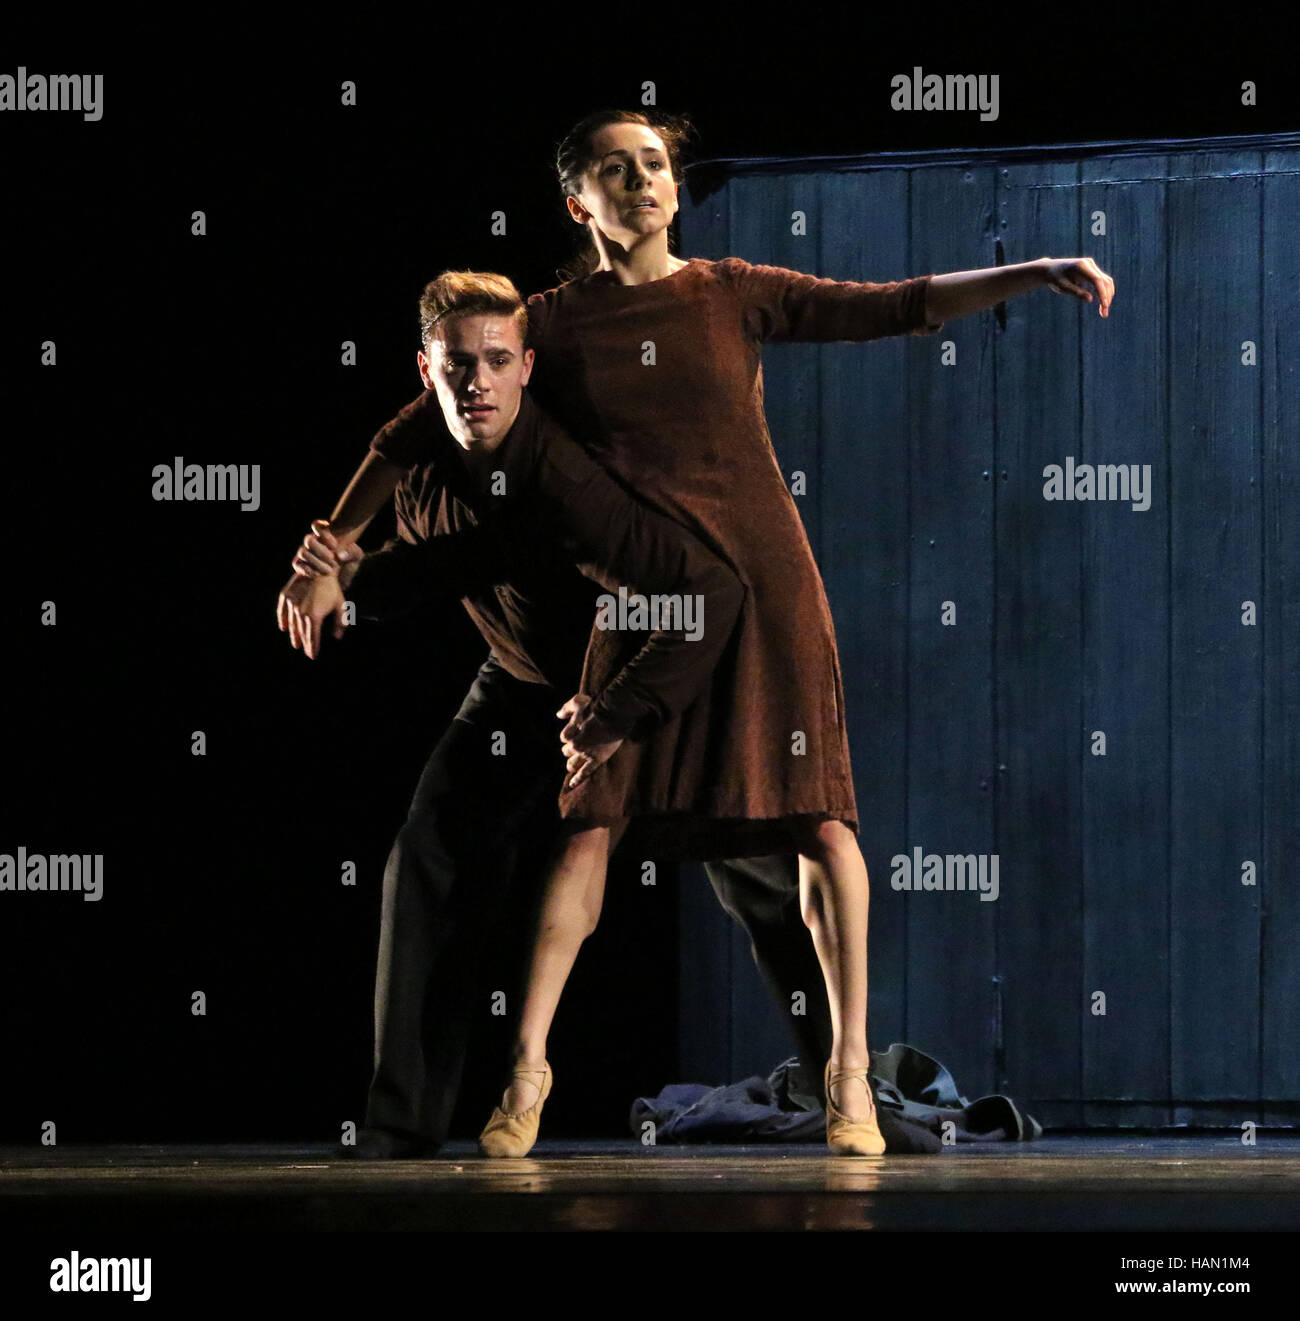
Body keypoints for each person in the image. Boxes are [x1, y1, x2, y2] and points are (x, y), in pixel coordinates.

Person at [285, 108, 1114, 1158]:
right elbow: (412, 428)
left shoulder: (728, 291)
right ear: (576, 201)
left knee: (783, 842)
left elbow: (890, 306)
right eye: (613, 170)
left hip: (733, 605)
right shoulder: (546, 322)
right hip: (616, 620)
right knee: (525, 834)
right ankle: (476, 1097)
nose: (641, 182)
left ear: (674, 189)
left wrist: (1030, 269)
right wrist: (326, 553)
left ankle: (847, 1078)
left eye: (656, 167)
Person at [279, 270, 745, 1157]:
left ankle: (852, 1078)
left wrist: (618, 709)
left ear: (529, 366)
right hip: (523, 676)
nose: (478, 382)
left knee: (752, 872)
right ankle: (401, 1126)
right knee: (429, 855)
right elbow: (412, 501)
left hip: (628, 681)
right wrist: (329, 556)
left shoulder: (561, 476)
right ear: (427, 373)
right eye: (459, 366)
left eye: (498, 361)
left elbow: (708, 593)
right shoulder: (420, 444)